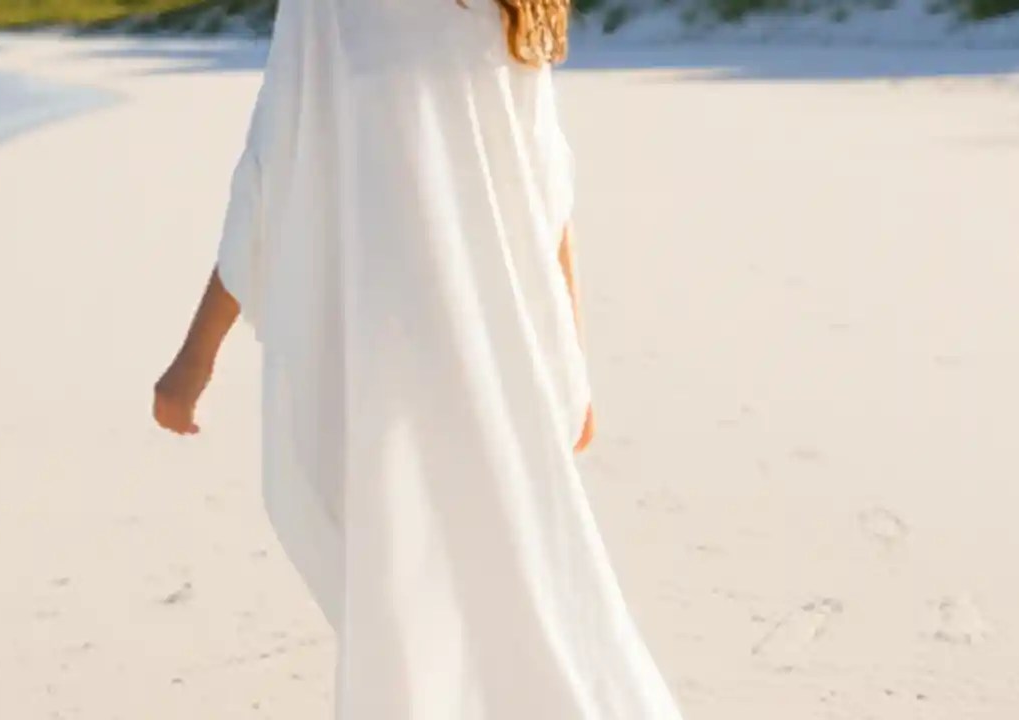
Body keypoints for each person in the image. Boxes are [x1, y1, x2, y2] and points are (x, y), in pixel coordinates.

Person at [153, 0, 684, 715]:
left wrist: (571, 364)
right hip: (376, 358)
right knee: (402, 591)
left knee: (518, 584)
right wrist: (197, 357)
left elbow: (543, 187)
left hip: (495, 355)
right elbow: (271, 175)